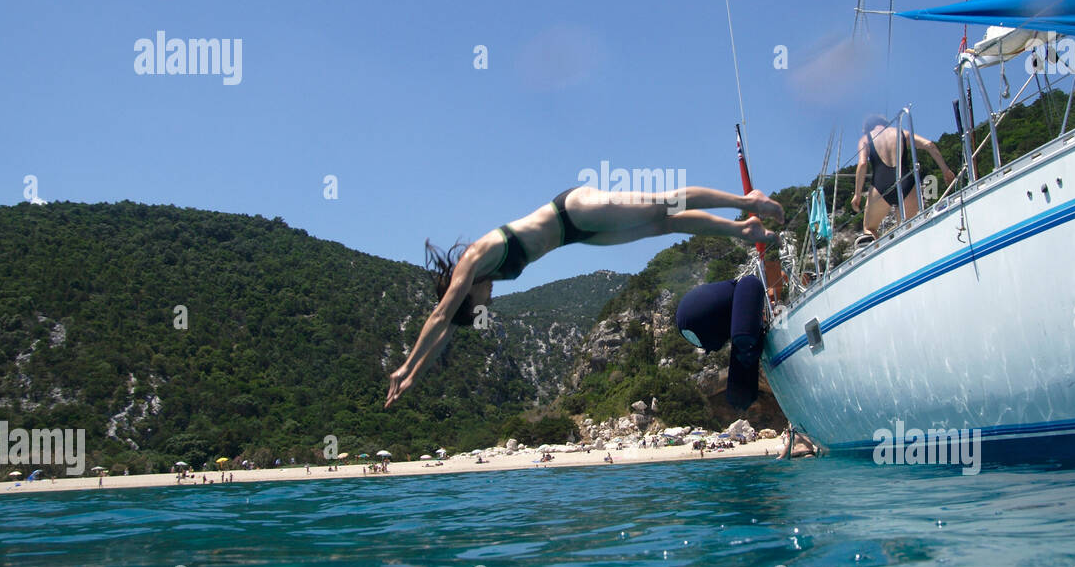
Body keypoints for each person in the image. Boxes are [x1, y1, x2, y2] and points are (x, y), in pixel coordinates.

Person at [385, 184, 784, 406]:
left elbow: (440, 318)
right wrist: (414, 377)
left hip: (574, 211)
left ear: (463, 292)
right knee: (665, 226)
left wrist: (404, 366)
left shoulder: (472, 261)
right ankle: (744, 230)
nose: (487, 301)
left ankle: (746, 202)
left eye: (479, 304)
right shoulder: (484, 276)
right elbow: (446, 333)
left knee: (663, 204)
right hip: (575, 236)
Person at [851, 116, 956, 239]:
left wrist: (857, 194)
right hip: (906, 183)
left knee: (869, 228)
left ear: (867, 128)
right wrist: (946, 170)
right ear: (885, 123)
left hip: (880, 186)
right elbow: (929, 144)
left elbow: (862, 164)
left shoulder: (866, 138)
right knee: (907, 228)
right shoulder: (901, 132)